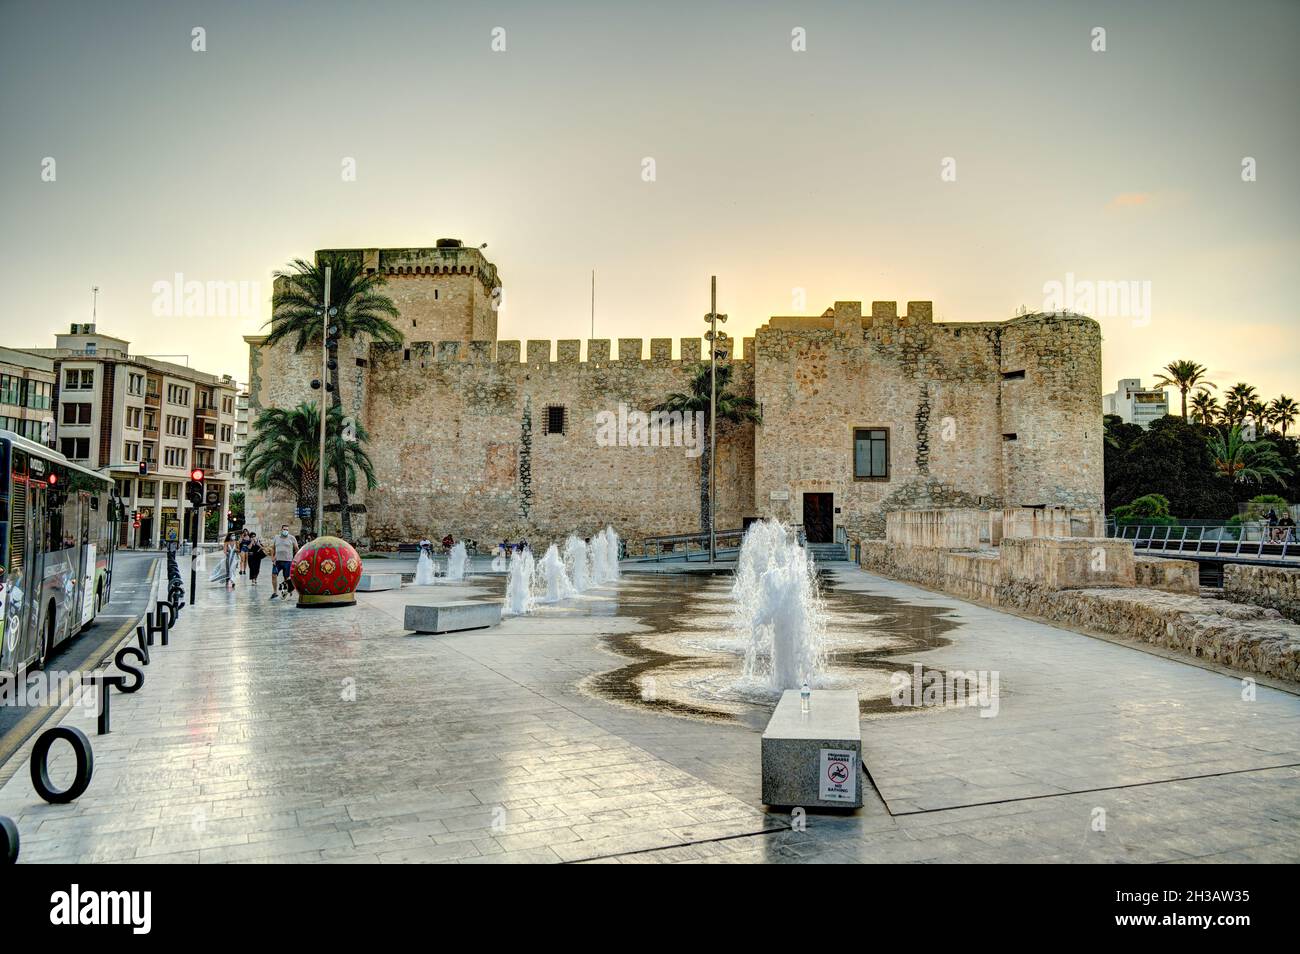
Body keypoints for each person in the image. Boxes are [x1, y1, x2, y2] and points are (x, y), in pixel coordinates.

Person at [270, 525, 300, 600]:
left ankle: (286, 591)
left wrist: (297, 558)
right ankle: (275, 592)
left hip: (288, 561)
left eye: (287, 530)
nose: (285, 531)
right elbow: (272, 548)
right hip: (277, 561)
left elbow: (296, 549)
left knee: (286, 577)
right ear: (281, 530)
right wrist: (272, 557)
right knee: (274, 575)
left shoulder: (291, 538)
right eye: (284, 529)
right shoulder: (276, 537)